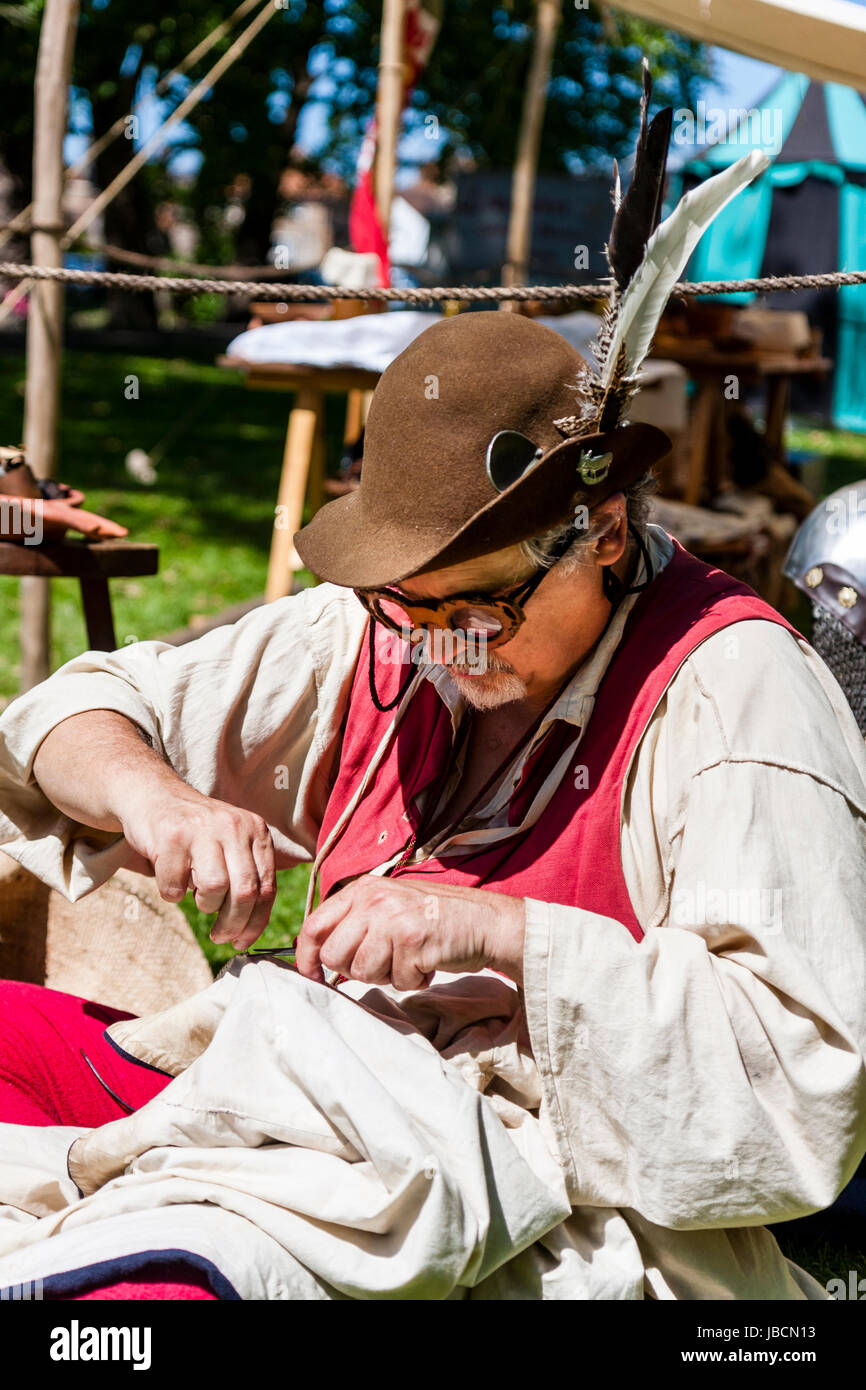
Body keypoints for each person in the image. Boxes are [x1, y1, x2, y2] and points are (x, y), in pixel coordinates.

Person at [1, 74, 864, 1299]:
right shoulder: (390, 630)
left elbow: (799, 1088)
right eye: (407, 605)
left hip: (519, 1197)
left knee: (151, 1304)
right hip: (309, 1108)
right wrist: (160, 800)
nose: (441, 644)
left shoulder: (734, 694)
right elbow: (77, 713)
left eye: (482, 607)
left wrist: (497, 933)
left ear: (604, 532)